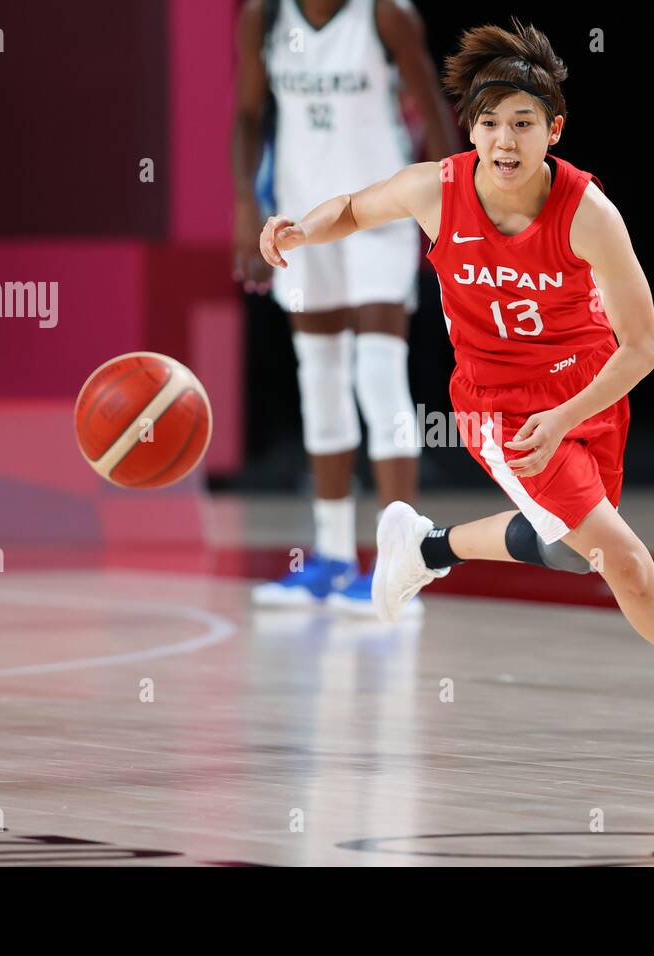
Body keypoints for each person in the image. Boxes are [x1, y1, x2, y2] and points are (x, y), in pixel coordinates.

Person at [258, 18, 654, 755]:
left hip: (590, 397)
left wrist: (570, 412)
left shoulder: (590, 213)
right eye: (491, 123)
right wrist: (299, 232)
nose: (506, 140)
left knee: (571, 552)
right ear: (471, 130)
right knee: (623, 562)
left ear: (554, 130)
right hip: (500, 410)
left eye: (524, 123)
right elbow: (352, 207)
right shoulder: (437, 192)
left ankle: (426, 548)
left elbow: (644, 347)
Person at [233, 0, 458, 614]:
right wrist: (245, 213)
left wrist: (457, 209)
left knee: (378, 374)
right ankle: (332, 556)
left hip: (379, 213)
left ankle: (400, 566)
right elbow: (249, 116)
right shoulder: (264, 16)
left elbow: (432, 107)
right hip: (304, 221)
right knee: (320, 379)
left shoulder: (385, 14)